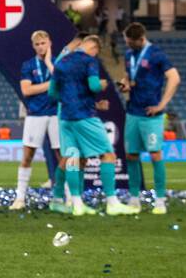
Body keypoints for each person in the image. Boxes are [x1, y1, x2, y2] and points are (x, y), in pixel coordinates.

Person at [49, 34, 127, 216]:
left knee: (74, 158)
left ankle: (76, 204)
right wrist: (103, 84)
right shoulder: (89, 61)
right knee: (108, 155)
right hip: (85, 116)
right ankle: (112, 203)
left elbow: (52, 93)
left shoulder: (61, 62)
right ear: (94, 48)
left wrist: (70, 100)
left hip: (66, 118)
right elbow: (93, 86)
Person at [118, 22, 180, 214]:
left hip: (151, 113)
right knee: (131, 155)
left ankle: (160, 200)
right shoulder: (129, 55)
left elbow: (175, 77)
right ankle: (134, 198)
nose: (128, 45)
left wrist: (162, 105)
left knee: (155, 154)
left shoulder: (156, 54)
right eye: (126, 42)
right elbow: (131, 77)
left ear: (141, 39)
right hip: (132, 112)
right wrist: (126, 83)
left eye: (130, 42)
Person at [12, 29, 64, 212]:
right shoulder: (28, 65)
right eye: (37, 44)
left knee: (62, 157)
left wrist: (50, 66)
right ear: (33, 46)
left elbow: (64, 85)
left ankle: (66, 196)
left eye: (43, 43)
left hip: (57, 114)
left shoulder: (59, 62)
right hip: (36, 114)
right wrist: (50, 85)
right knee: (28, 155)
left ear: (49, 42)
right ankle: (20, 197)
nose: (41, 47)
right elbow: (26, 90)